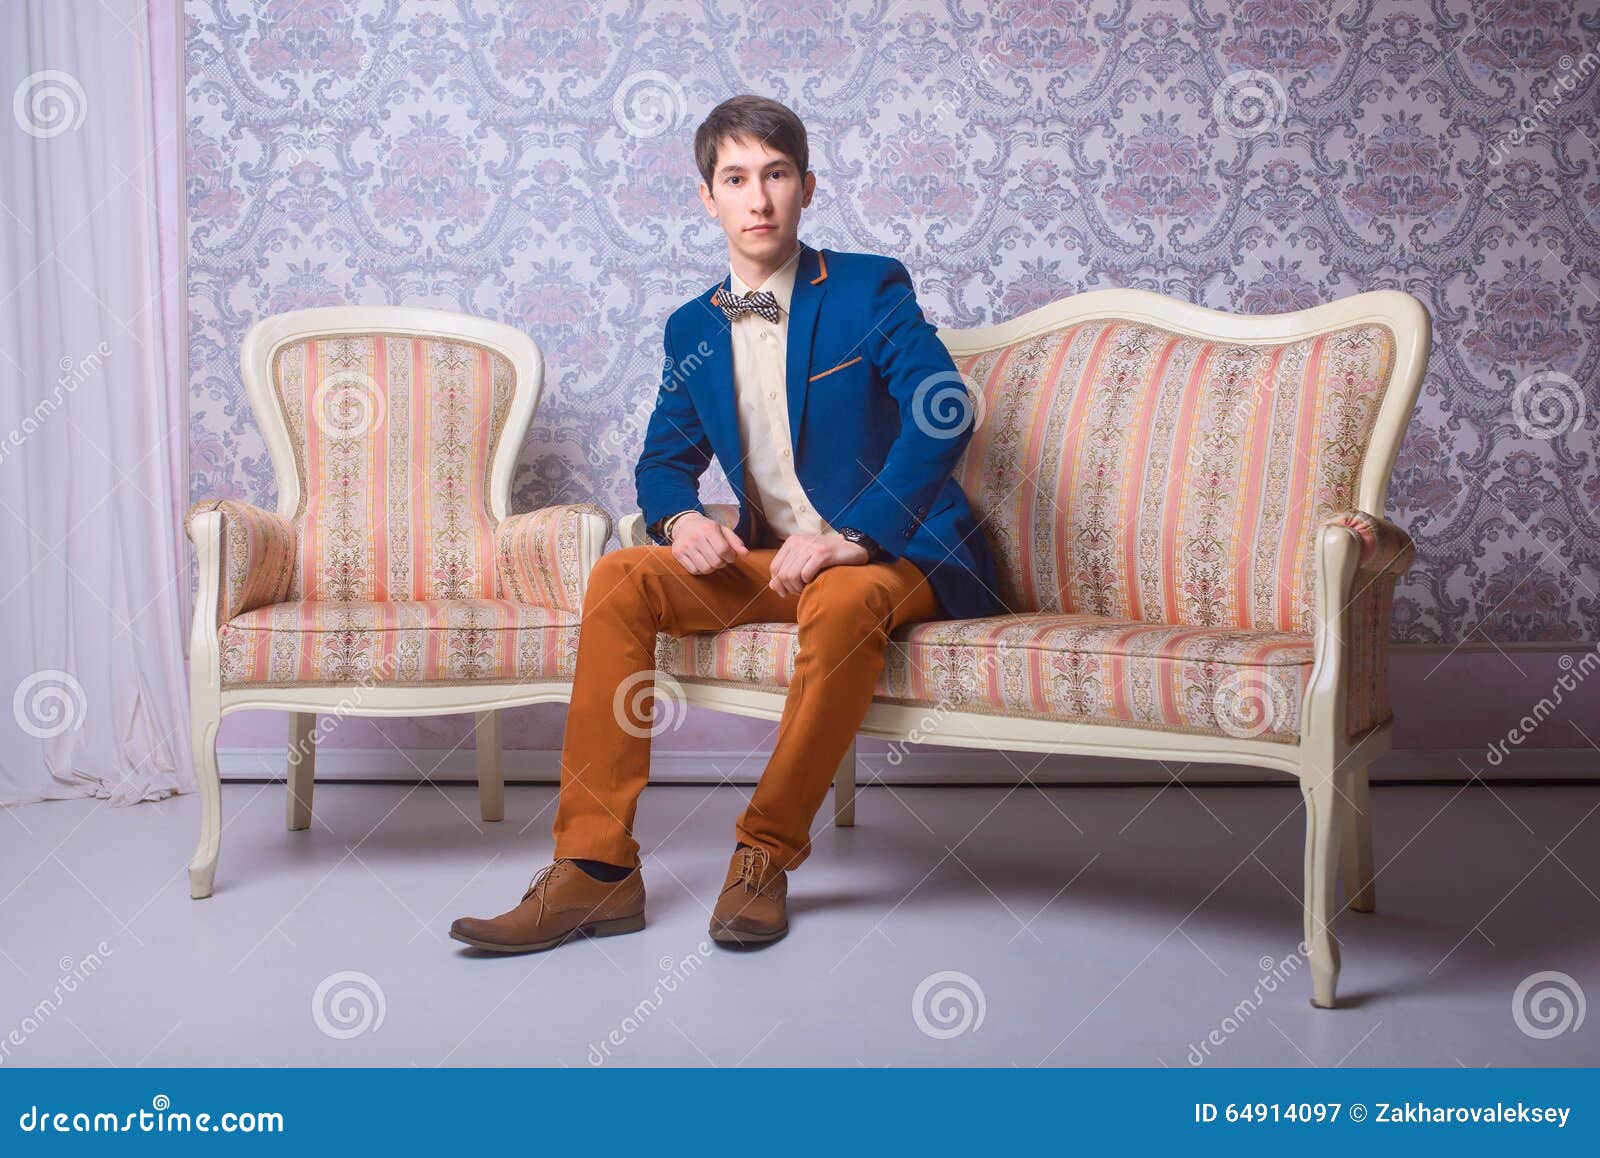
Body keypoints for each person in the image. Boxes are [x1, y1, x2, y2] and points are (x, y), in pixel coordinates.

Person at [449, 94, 1001, 955]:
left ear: (807, 187)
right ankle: (595, 872)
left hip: (892, 552)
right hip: (776, 559)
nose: (759, 199)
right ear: (708, 197)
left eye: (776, 175)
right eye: (736, 179)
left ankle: (763, 857)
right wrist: (675, 522)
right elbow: (663, 465)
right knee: (620, 577)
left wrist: (853, 535)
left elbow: (942, 409)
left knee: (844, 599)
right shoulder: (695, 327)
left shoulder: (866, 287)